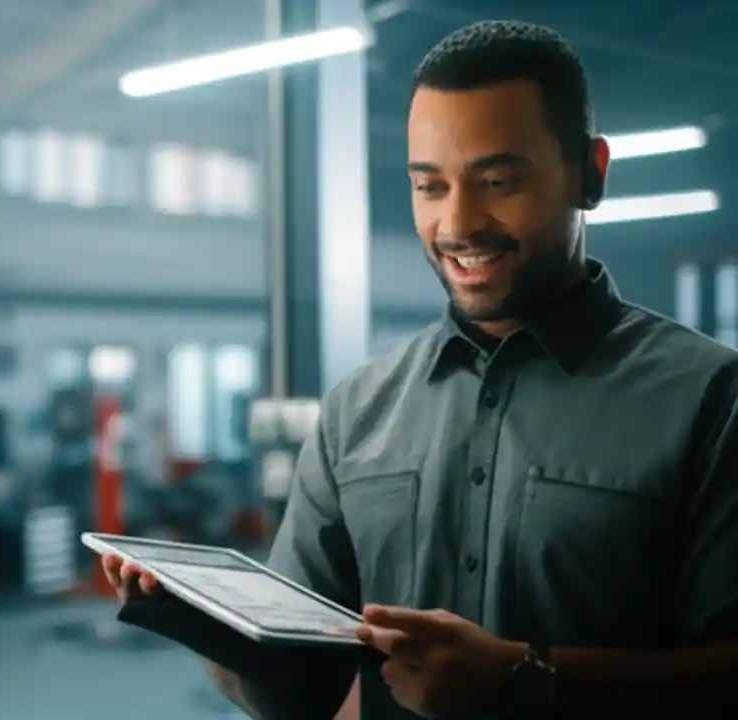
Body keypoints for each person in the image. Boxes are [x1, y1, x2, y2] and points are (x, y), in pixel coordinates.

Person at [104, 19, 738, 719]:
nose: (458, 222)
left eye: (496, 180)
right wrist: (204, 624)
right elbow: (298, 690)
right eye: (429, 186)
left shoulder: (710, 399)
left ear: (589, 173)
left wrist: (527, 682)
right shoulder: (358, 412)